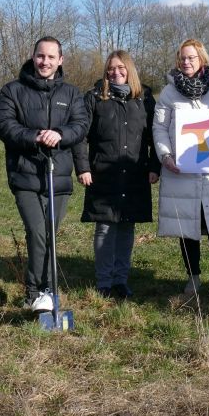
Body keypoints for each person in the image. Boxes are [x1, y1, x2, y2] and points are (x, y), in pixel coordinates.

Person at [0, 36, 90, 312]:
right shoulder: (12, 91)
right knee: (37, 231)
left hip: (58, 177)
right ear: (33, 57)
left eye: (51, 57)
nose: (45, 62)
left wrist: (59, 135)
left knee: (51, 234)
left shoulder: (71, 94)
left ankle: (47, 290)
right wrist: (35, 136)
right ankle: (34, 292)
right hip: (25, 175)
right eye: (40, 56)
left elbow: (81, 125)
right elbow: (4, 125)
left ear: (60, 60)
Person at [153, 39, 209, 300]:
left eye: (191, 57)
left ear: (202, 59)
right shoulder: (168, 93)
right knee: (188, 229)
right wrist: (165, 155)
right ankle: (194, 277)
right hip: (180, 171)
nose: (186, 62)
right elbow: (158, 128)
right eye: (182, 58)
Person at [75, 50, 160, 299]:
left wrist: (155, 167)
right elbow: (80, 136)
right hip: (103, 173)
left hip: (135, 173)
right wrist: (83, 167)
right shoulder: (93, 98)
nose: (116, 72)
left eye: (121, 68)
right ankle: (104, 281)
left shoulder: (144, 99)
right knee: (104, 227)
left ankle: (121, 280)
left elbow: (155, 136)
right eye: (111, 68)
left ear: (130, 69)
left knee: (126, 226)